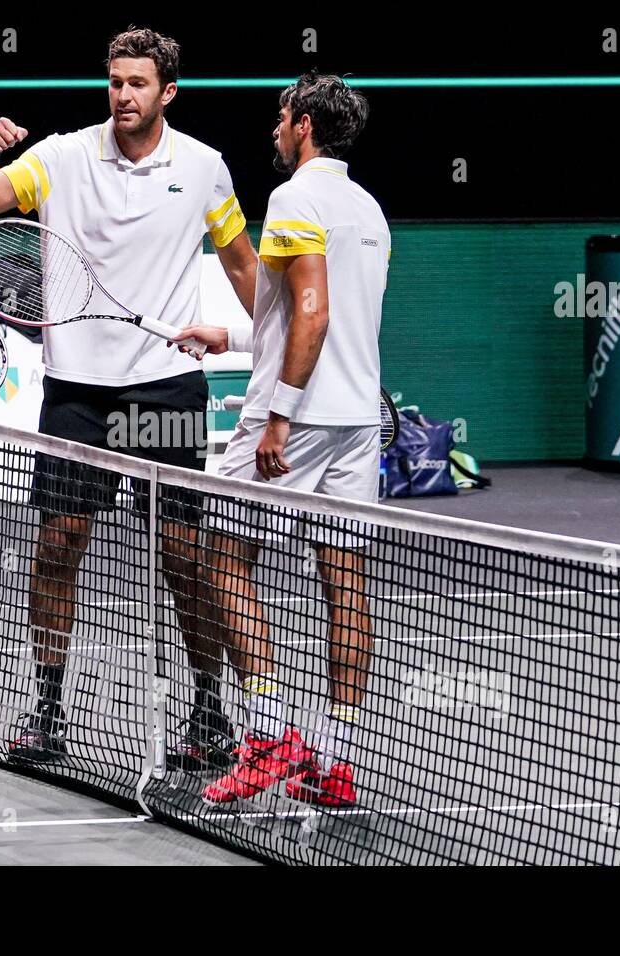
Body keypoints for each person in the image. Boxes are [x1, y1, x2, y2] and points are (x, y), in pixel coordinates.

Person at [0, 26, 258, 771]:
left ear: (168, 92)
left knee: (184, 558)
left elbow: (246, 269)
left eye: (138, 84)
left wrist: (272, 349)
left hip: (162, 387)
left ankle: (209, 712)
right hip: (78, 395)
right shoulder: (60, 157)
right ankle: (49, 708)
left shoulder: (206, 170)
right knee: (58, 548)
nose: (123, 95)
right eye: (116, 82)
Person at [177, 71, 388, 807]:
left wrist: (278, 416)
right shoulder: (368, 209)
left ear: (303, 123)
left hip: (294, 419)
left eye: (279, 116)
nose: (273, 128)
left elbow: (314, 314)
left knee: (222, 558)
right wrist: (231, 334)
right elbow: (301, 315)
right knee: (345, 581)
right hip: (359, 421)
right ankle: (337, 762)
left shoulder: (295, 198)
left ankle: (268, 736)